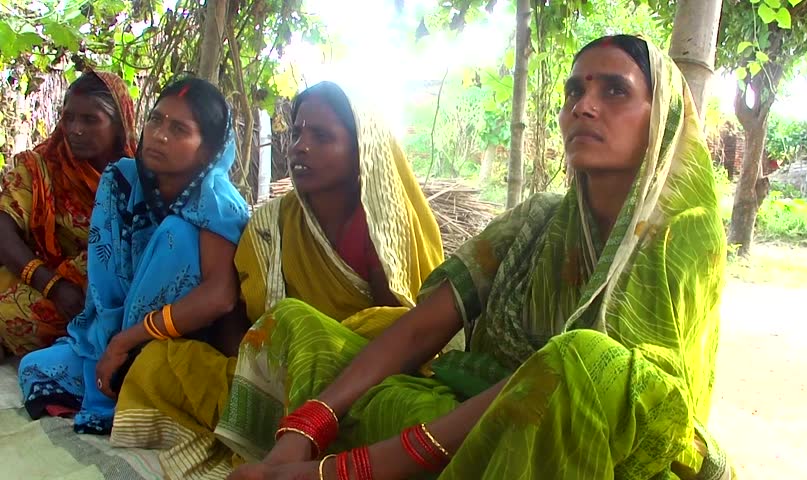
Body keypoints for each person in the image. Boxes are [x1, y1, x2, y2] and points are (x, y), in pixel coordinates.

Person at [227, 35, 731, 480]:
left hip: (595, 444)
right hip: (472, 411)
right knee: (297, 325)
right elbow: (423, 329)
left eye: (614, 90)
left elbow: (603, 387)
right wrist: (309, 426)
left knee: (582, 359)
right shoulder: (537, 222)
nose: (583, 106)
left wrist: (347, 468)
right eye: (575, 91)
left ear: (661, 118)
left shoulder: (682, 234)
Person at [108, 81, 444, 478]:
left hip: (358, 379)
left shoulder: (383, 228)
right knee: (162, 360)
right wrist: (256, 376)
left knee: (301, 324)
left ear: (361, 152)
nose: (300, 146)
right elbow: (246, 320)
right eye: (298, 132)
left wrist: (311, 343)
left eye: (322, 137)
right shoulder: (273, 223)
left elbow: (400, 328)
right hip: (278, 373)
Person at [17, 76, 249, 435]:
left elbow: (220, 297)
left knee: (176, 236)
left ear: (207, 150)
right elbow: (105, 273)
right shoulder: (121, 179)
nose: (159, 135)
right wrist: (108, 341)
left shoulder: (216, 202)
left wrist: (130, 340)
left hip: (183, 338)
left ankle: (129, 374)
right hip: (120, 329)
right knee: (36, 367)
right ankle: (116, 371)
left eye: (179, 129)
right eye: (155, 120)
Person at [0, 71, 136, 356]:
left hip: (108, 296)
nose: (75, 129)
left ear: (119, 124)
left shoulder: (138, 178)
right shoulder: (41, 166)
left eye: (90, 120)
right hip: (48, 290)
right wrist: (53, 285)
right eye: (69, 118)